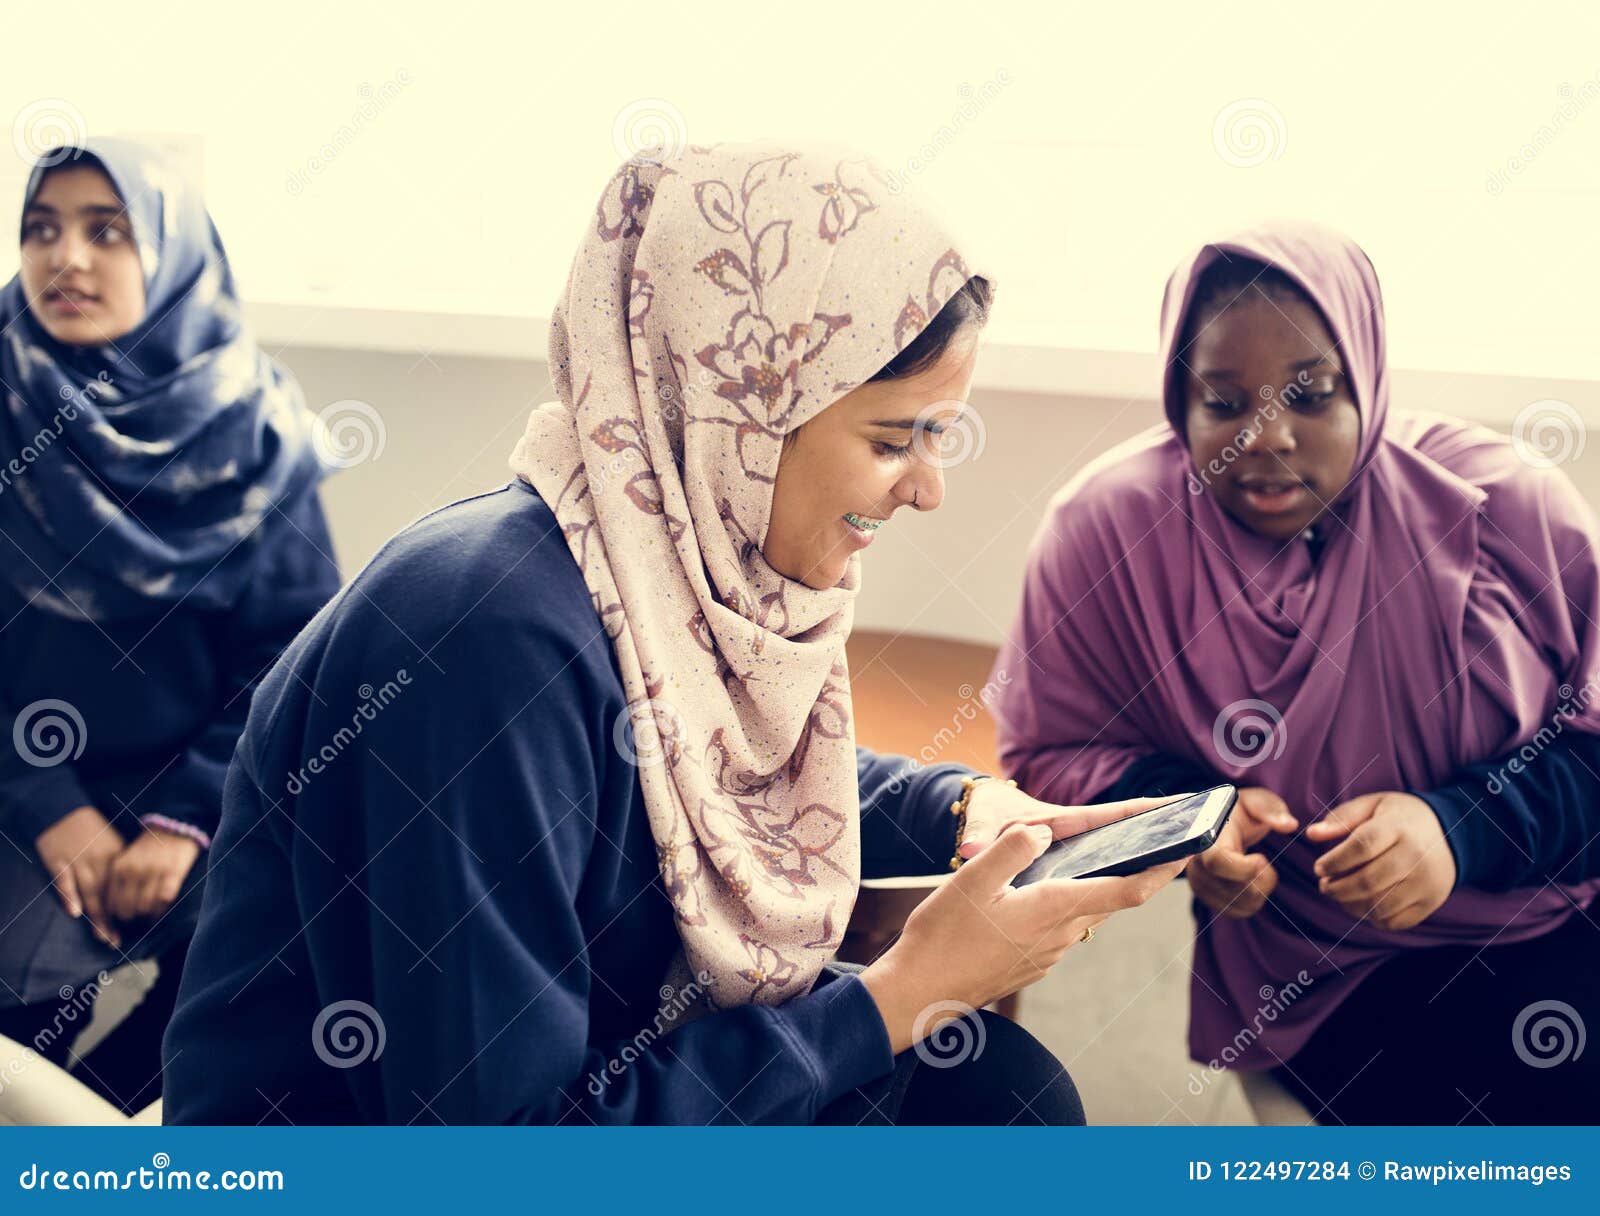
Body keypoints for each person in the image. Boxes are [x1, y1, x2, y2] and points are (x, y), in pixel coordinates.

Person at [163, 143, 1182, 1125]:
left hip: (597, 1060)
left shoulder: (656, 576)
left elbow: (697, 768)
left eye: (936, 437)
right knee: (980, 1102)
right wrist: (900, 994)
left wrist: (963, 811)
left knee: (986, 1090)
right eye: (891, 439)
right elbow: (498, 1152)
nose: (926, 488)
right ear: (738, 410)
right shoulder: (483, 641)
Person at [990, 221, 1600, 1125]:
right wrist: (1191, 817)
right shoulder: (1109, 533)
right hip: (1311, 971)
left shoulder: (1506, 509)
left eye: (1311, 396)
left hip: (1547, 920)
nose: (1268, 437)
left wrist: (1457, 831)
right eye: (1224, 403)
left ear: (1370, 381)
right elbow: (1052, 746)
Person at [0, 138, 341, 1114]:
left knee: (278, 970)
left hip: (206, 790)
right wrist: (48, 807)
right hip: (25, 788)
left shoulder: (253, 427)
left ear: (174, 251)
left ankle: (110, 1147)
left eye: (107, 231)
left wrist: (183, 822)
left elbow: (294, 664)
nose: (67, 257)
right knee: (20, 986)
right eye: (42, 228)